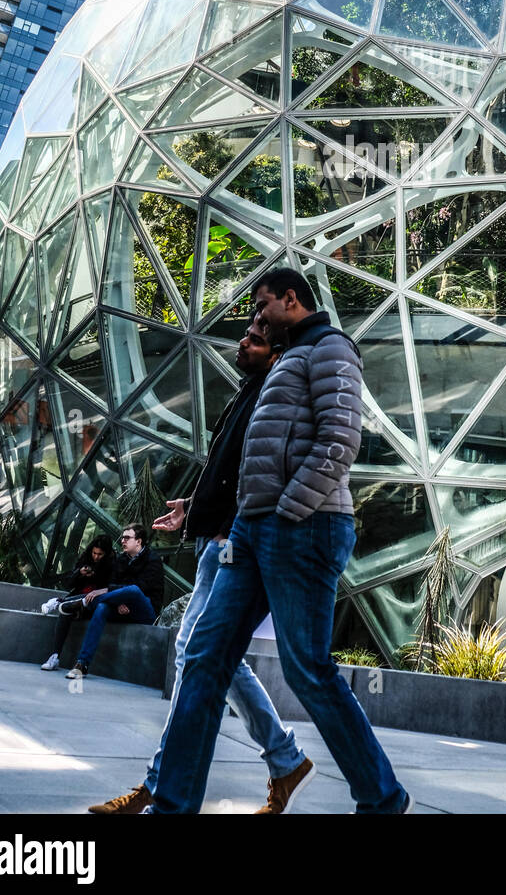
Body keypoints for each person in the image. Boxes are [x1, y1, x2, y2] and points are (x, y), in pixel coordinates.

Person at [146, 268, 411, 815]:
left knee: (307, 668)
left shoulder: (330, 347)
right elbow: (261, 452)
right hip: (250, 528)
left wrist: (289, 512)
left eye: (263, 304)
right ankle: (171, 803)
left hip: (304, 526)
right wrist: (223, 512)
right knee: (203, 655)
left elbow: (340, 439)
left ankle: (382, 798)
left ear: (291, 299)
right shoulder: (287, 357)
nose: (257, 316)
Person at [88, 315, 313, 817]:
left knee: (200, 653)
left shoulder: (272, 396)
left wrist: (229, 521)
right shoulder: (249, 393)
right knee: (203, 654)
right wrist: (195, 505)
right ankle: (282, 759)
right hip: (218, 536)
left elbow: (269, 476)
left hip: (233, 541)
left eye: (254, 339)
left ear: (275, 350)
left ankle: (164, 788)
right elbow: (231, 473)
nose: (242, 343)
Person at [64, 524, 164, 680]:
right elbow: (114, 583)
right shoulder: (121, 559)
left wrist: (108, 592)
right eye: (122, 537)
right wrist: (117, 602)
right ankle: (82, 664)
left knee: (134, 590)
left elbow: (142, 588)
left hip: (145, 611)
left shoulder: (153, 560)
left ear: (139, 541)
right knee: (102, 607)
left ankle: (85, 603)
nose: (123, 541)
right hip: (121, 607)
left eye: (127, 538)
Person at [40, 535, 114, 672]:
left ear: (107, 554)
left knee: (66, 606)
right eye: (94, 553)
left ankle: (57, 602)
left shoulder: (113, 564)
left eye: (100, 554)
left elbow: (109, 587)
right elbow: (69, 583)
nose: (96, 557)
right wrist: (80, 573)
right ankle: (55, 656)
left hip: (94, 603)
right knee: (65, 612)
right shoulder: (85, 558)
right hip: (77, 599)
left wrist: (95, 575)